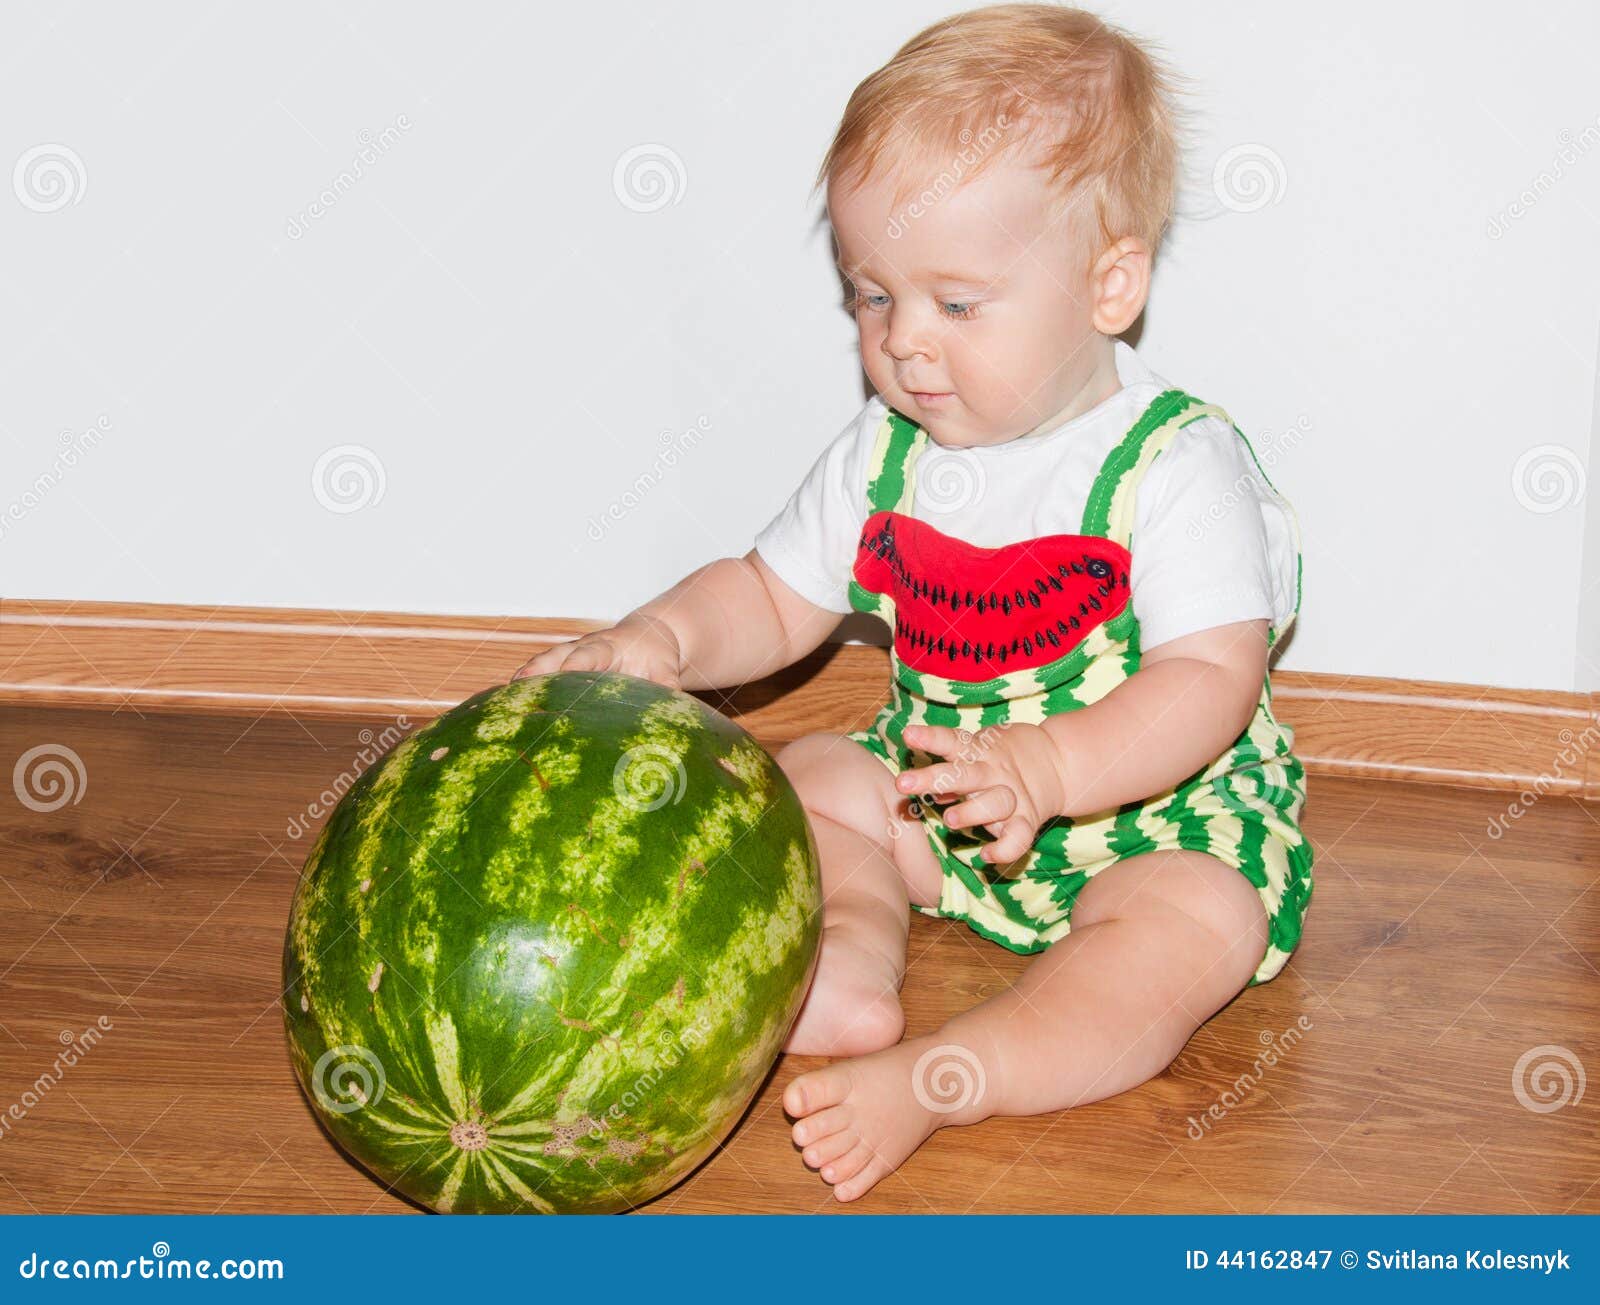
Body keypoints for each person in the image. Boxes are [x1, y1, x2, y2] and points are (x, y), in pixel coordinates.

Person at [513, 3, 1312, 1204]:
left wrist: (1047, 768)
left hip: (1153, 824)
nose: (904, 345)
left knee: (1194, 925)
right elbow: (769, 596)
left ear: (1109, 285)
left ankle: (955, 1074)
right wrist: (662, 640)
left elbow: (1208, 680)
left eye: (957, 303)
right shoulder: (884, 454)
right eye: (872, 297)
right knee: (811, 777)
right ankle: (848, 959)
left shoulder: (1170, 466)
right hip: (940, 800)